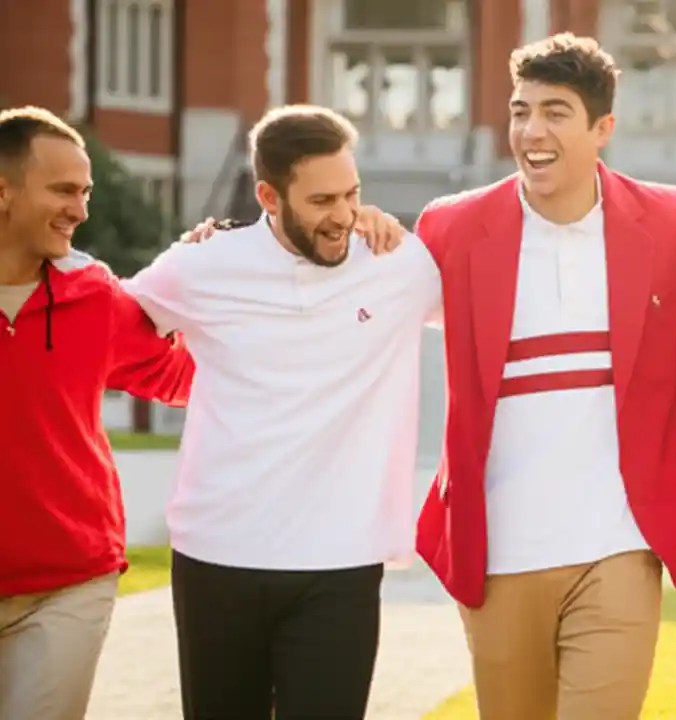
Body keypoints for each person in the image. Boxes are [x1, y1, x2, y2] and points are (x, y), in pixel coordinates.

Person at [412, 33, 676, 720]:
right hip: (499, 549)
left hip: (619, 544)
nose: (531, 131)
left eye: (555, 112)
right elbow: (363, 301)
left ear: (603, 128)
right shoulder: (451, 228)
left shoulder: (675, 222)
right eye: (521, 111)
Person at [124, 104, 438, 719]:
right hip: (217, 556)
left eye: (352, 194)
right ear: (268, 196)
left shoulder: (401, 265)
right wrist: (186, 384)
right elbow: (106, 330)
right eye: (322, 200)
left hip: (341, 562)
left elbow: (493, 314)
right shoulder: (201, 265)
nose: (343, 216)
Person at [0, 106, 194, 720]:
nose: (80, 210)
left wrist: (220, 282)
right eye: (63, 190)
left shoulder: (95, 295)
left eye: (84, 192)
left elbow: (183, 377)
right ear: (3, 191)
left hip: (69, 582)